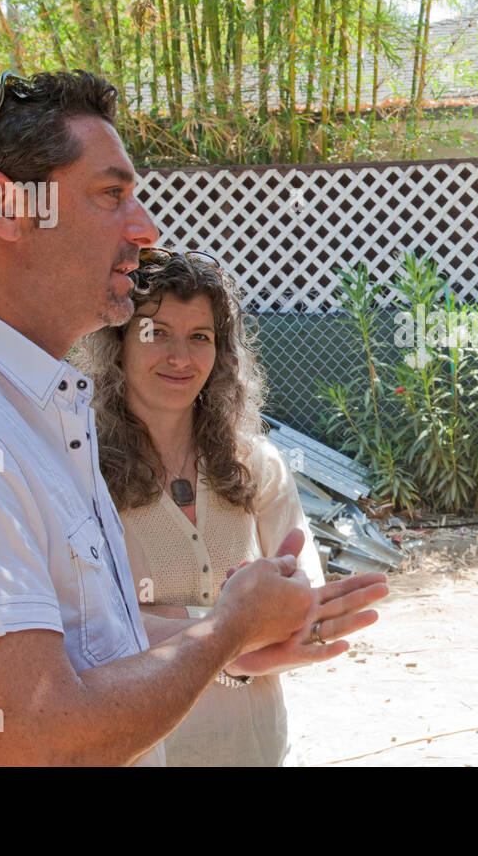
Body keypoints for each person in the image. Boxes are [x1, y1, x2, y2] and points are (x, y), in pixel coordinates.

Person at [0, 70, 380, 766]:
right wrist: (226, 632)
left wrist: (243, 642)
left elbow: (84, 649)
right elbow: (29, 740)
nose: (146, 228)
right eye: (111, 195)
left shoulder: (22, 406)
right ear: (4, 207)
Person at [75, 249, 386, 765]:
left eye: (200, 336)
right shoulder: (79, 470)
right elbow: (87, 630)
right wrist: (237, 629)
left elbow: (300, 610)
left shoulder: (256, 465)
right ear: (117, 346)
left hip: (255, 748)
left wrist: (172, 622)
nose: (181, 357)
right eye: (156, 333)